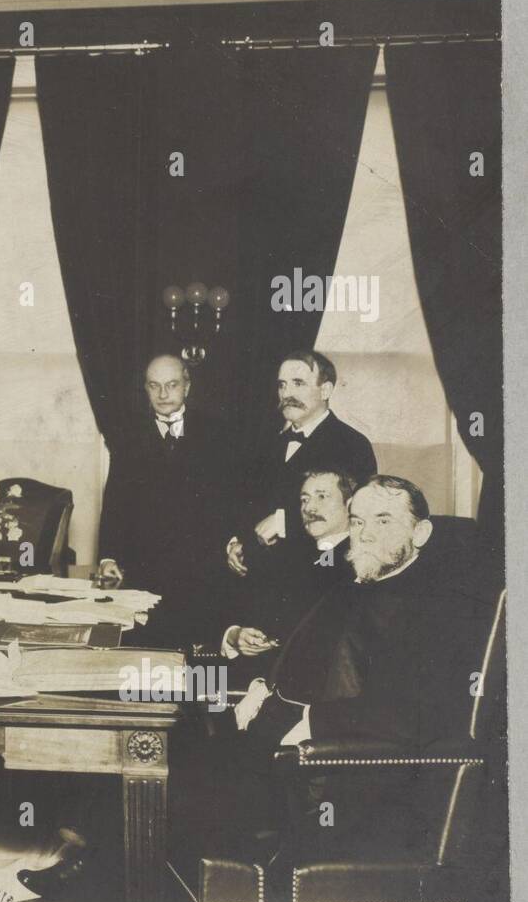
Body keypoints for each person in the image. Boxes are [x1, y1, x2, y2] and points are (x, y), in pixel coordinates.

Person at [175, 475, 500, 857]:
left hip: (348, 777)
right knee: (177, 760)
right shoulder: (357, 585)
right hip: (289, 746)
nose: (363, 534)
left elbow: (413, 713)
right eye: (358, 521)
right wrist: (266, 688)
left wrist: (309, 721)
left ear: (422, 533)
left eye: (383, 521)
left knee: (184, 798)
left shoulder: (437, 606)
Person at [96, 354, 233, 650]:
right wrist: (108, 557)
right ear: (145, 389)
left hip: (202, 573)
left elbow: (228, 503)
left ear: (187, 387)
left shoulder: (218, 434)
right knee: (146, 660)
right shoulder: (126, 436)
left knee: (199, 667)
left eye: (171, 385)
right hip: (143, 571)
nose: (163, 394)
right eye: (154, 386)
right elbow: (115, 503)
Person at [225, 350, 375, 581]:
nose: (287, 394)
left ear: (325, 390)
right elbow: (247, 499)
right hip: (257, 575)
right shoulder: (266, 443)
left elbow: (356, 513)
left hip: (316, 577)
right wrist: (237, 540)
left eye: (298, 383)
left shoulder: (352, 444)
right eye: (282, 385)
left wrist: (285, 521)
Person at [218, 468, 356, 686]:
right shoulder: (287, 556)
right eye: (304, 499)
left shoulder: (359, 564)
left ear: (350, 505)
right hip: (258, 679)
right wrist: (236, 635)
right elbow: (243, 610)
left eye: (322, 496)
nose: (309, 508)